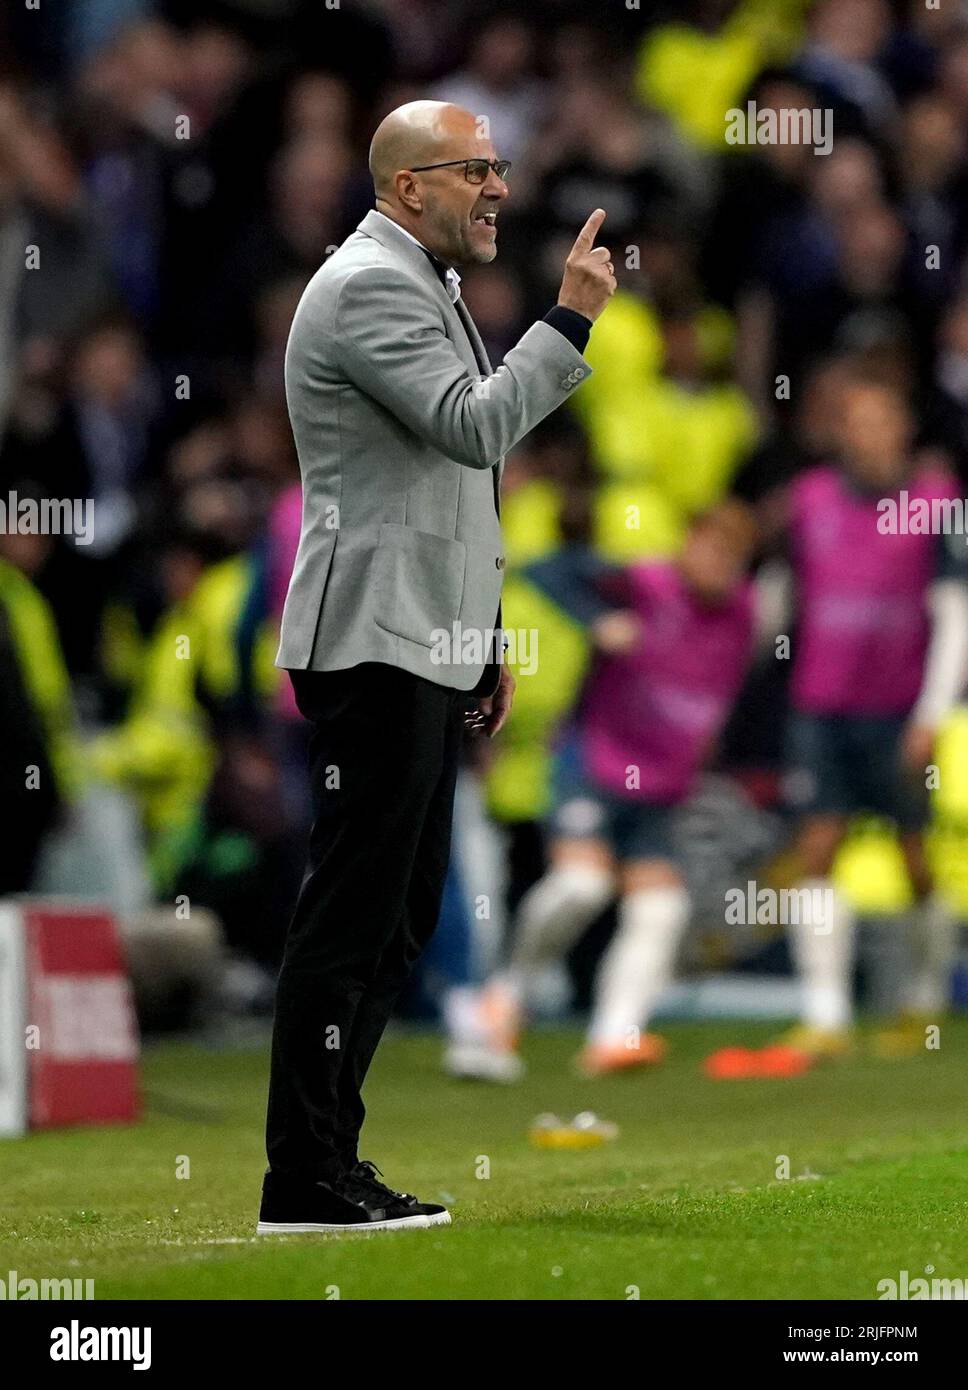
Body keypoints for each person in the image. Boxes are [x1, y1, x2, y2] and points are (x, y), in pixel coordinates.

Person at [258, 99, 616, 1235]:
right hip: (372, 638)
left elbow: (453, 487)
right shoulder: (371, 285)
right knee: (353, 913)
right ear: (409, 186)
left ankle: (328, 1162)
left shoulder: (422, 281)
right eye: (475, 170)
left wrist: (482, 633)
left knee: (395, 914)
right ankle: (302, 1175)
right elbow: (474, 429)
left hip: (421, 636)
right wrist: (570, 318)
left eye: (500, 166)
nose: (499, 188)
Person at [707, 371, 968, 1078]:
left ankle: (922, 1002)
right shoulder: (810, 501)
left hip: (900, 710)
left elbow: (953, 614)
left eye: (882, 420)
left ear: (903, 428)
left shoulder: (935, 504)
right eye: (857, 421)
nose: (869, 434)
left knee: (915, 857)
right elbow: (777, 595)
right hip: (820, 705)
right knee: (817, 844)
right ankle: (826, 1015)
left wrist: (931, 714)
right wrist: (730, 673)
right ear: (841, 432)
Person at [477, 501, 757, 1077]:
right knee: (582, 887)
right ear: (688, 544)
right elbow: (546, 570)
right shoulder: (645, 584)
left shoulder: (743, 612)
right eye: (709, 547)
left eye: (731, 555)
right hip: (597, 765)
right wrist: (595, 619)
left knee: (661, 907)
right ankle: (506, 996)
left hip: (665, 782)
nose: (716, 563)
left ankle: (613, 1037)